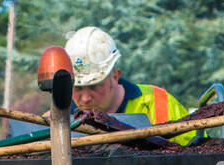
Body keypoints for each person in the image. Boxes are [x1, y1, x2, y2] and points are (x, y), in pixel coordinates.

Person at [64, 26, 194, 145]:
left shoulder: (158, 103)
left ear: (115, 76)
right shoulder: (55, 119)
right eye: (78, 87)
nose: (86, 98)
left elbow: (197, 153)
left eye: (95, 86)